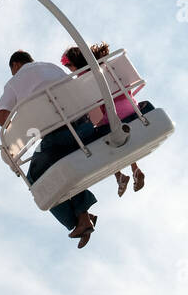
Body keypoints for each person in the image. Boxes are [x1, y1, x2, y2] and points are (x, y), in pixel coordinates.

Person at [0, 50, 98, 248]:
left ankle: (78, 220)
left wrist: (22, 118)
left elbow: (1, 117)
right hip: (83, 126)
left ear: (16, 65)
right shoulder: (51, 67)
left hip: (58, 136)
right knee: (63, 166)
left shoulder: (14, 82)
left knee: (36, 178)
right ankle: (83, 214)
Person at [61, 44, 150, 195]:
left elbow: (96, 114)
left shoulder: (83, 80)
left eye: (69, 67)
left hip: (113, 115)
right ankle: (135, 169)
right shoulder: (107, 66)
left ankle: (119, 176)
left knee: (102, 139)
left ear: (74, 64)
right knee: (120, 133)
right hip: (131, 106)